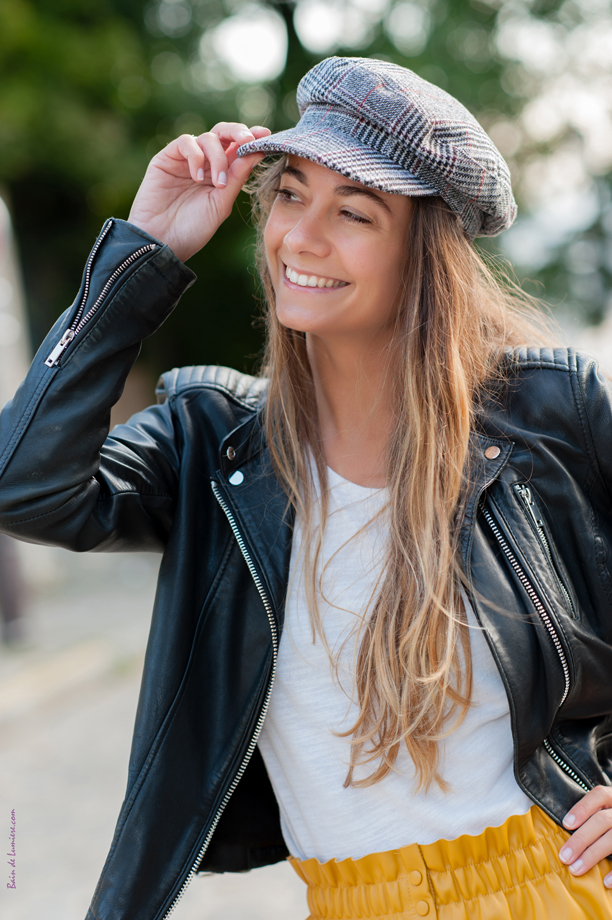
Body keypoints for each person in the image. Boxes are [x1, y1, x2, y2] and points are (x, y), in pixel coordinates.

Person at [0, 55, 612, 920]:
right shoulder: (211, 439)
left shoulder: (549, 413)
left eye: (354, 212)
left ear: (423, 251)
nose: (302, 237)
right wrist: (138, 261)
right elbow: (24, 486)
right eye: (290, 193)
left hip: (554, 887)